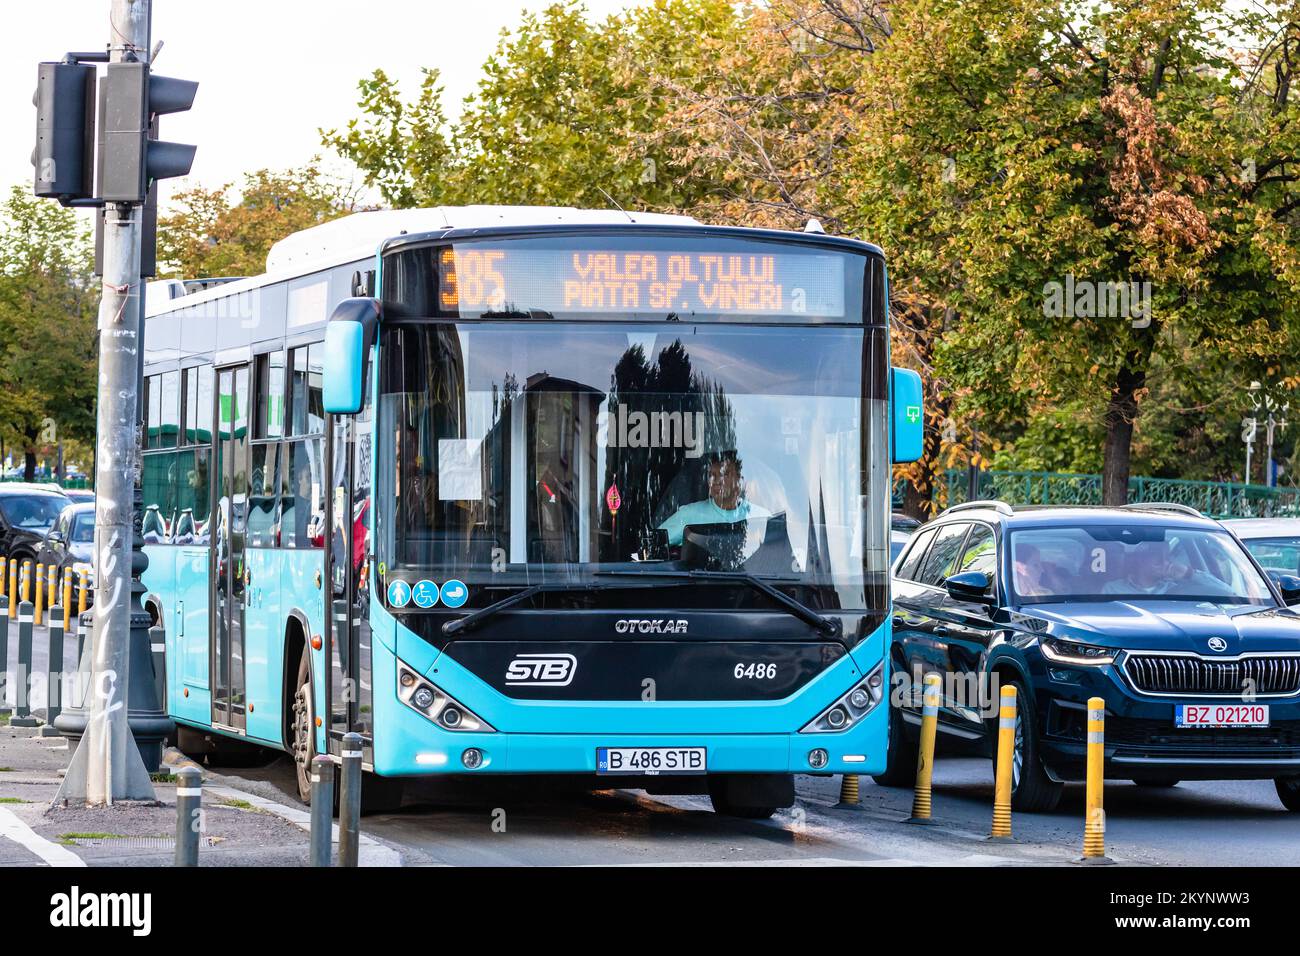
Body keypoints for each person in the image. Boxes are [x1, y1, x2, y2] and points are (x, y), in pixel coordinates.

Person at [658, 450, 770, 548]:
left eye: (723, 474)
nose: (715, 480)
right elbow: (654, 543)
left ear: (739, 479)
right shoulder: (689, 515)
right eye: (711, 475)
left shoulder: (761, 518)